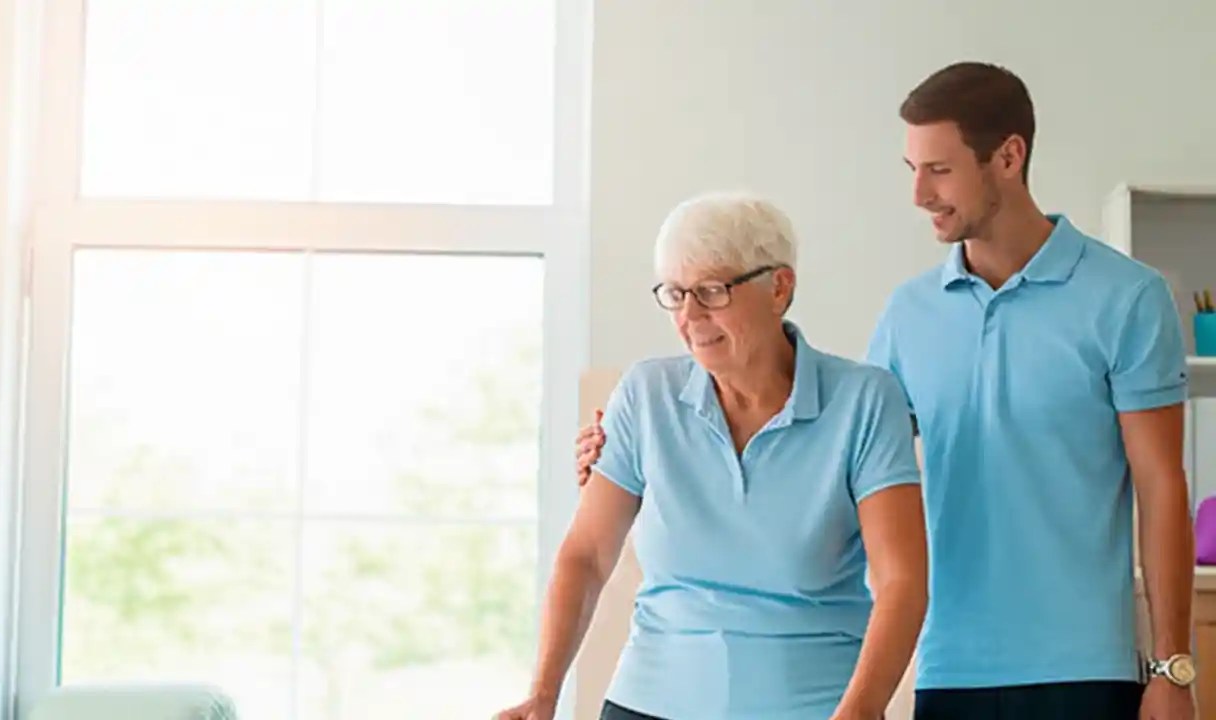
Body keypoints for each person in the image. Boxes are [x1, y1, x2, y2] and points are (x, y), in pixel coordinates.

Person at [578, 62, 1197, 720]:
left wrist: (1171, 666)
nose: (919, 194)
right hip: (947, 666)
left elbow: (1161, 485)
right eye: (912, 169)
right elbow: (837, 457)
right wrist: (620, 456)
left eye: (940, 169)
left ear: (1009, 157)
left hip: (1084, 665)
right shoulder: (908, 314)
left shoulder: (1127, 298)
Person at [499, 194, 929, 720]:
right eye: (676, 294)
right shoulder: (646, 394)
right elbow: (586, 555)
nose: (689, 316)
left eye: (711, 291)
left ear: (779, 287)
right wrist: (544, 693)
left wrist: (862, 710)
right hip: (648, 704)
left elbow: (901, 580)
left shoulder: (864, 400)